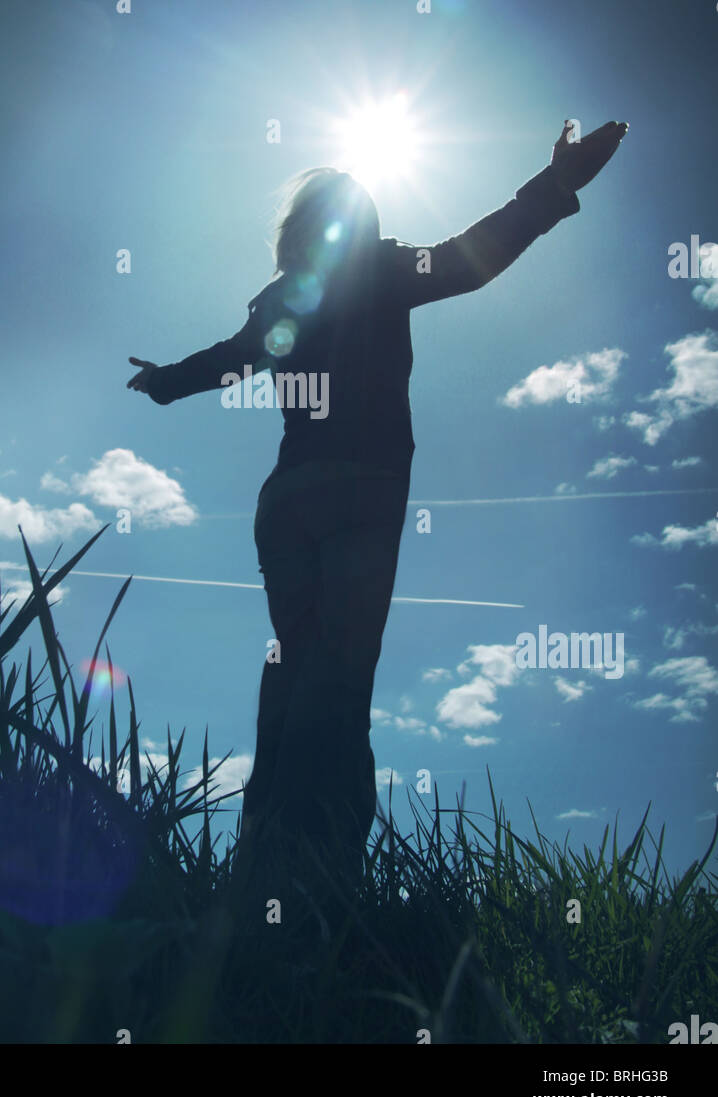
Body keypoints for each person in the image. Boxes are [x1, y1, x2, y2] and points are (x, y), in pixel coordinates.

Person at [128, 119, 628, 912]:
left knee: (294, 672)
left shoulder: (282, 299)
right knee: (341, 679)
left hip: (288, 501)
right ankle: (325, 882)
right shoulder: (386, 271)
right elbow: (474, 255)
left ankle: (262, 871)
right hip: (362, 490)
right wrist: (555, 184)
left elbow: (228, 361)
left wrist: (162, 382)